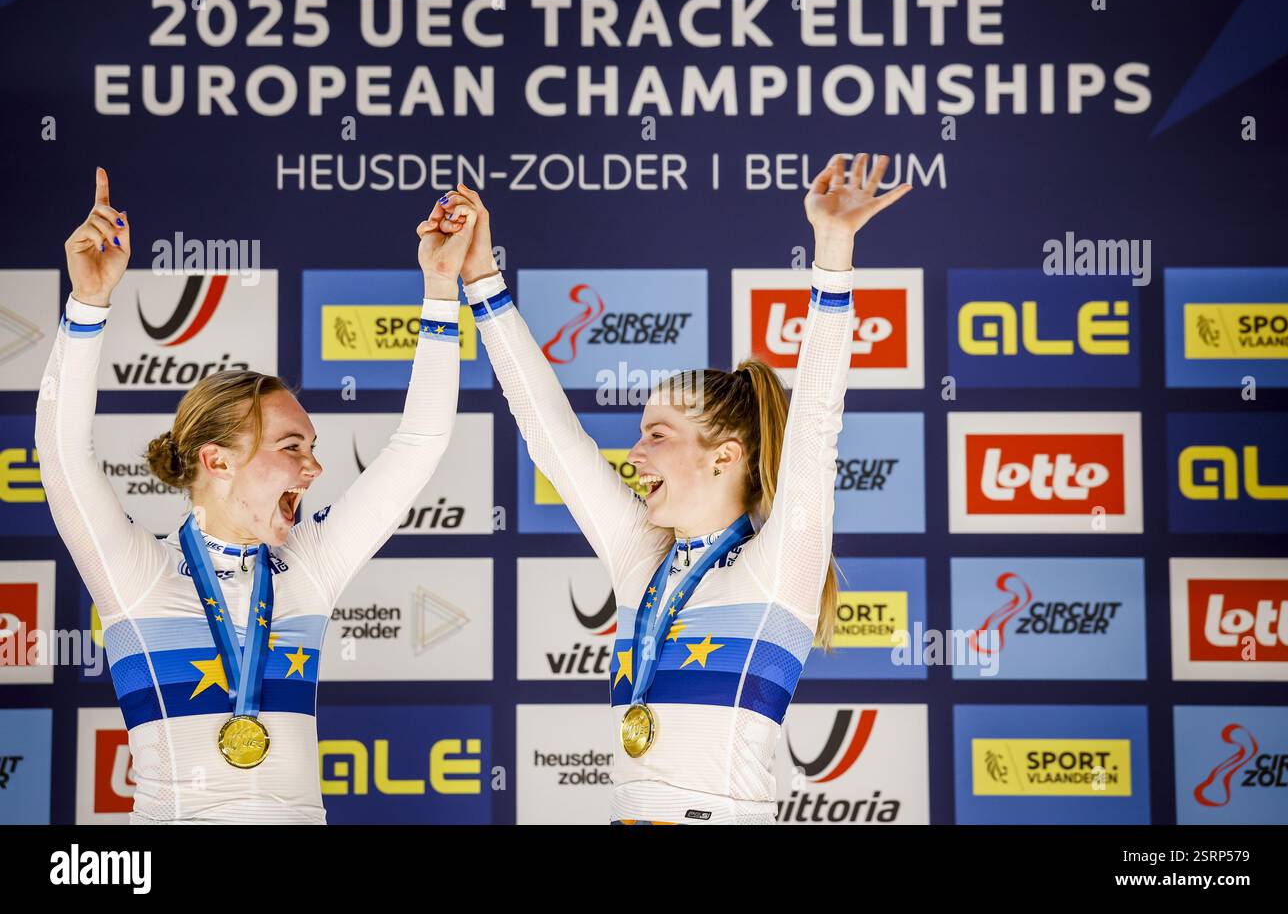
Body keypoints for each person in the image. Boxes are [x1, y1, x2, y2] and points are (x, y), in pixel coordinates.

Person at [436, 152, 912, 824]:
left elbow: (815, 428)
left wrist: (833, 251)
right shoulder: (645, 558)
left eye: (657, 434)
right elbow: (551, 435)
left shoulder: (777, 572)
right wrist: (480, 280)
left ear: (724, 456)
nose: (632, 453)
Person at [35, 168, 475, 823]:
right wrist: (88, 305)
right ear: (216, 460)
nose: (314, 467)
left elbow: (421, 443)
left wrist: (442, 290)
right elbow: (64, 460)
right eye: (291, 447)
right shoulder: (142, 575)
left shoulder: (309, 564)